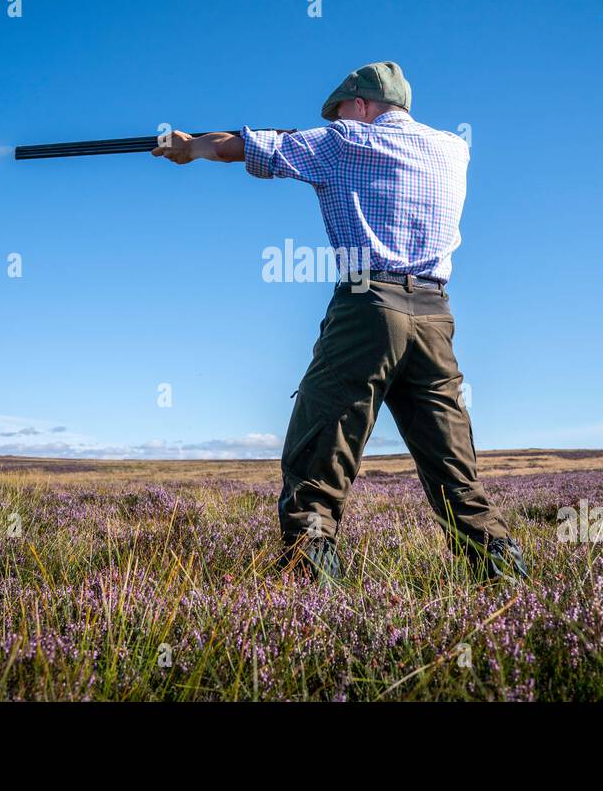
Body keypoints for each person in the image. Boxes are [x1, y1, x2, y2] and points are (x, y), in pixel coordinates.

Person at [151, 61, 526, 585]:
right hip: (436, 317)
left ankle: (314, 583)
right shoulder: (452, 149)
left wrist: (188, 148)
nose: (336, 119)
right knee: (451, 462)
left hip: (369, 305)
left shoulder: (346, 141)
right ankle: (506, 578)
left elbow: (243, 146)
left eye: (341, 110)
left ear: (363, 104)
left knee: (322, 439)